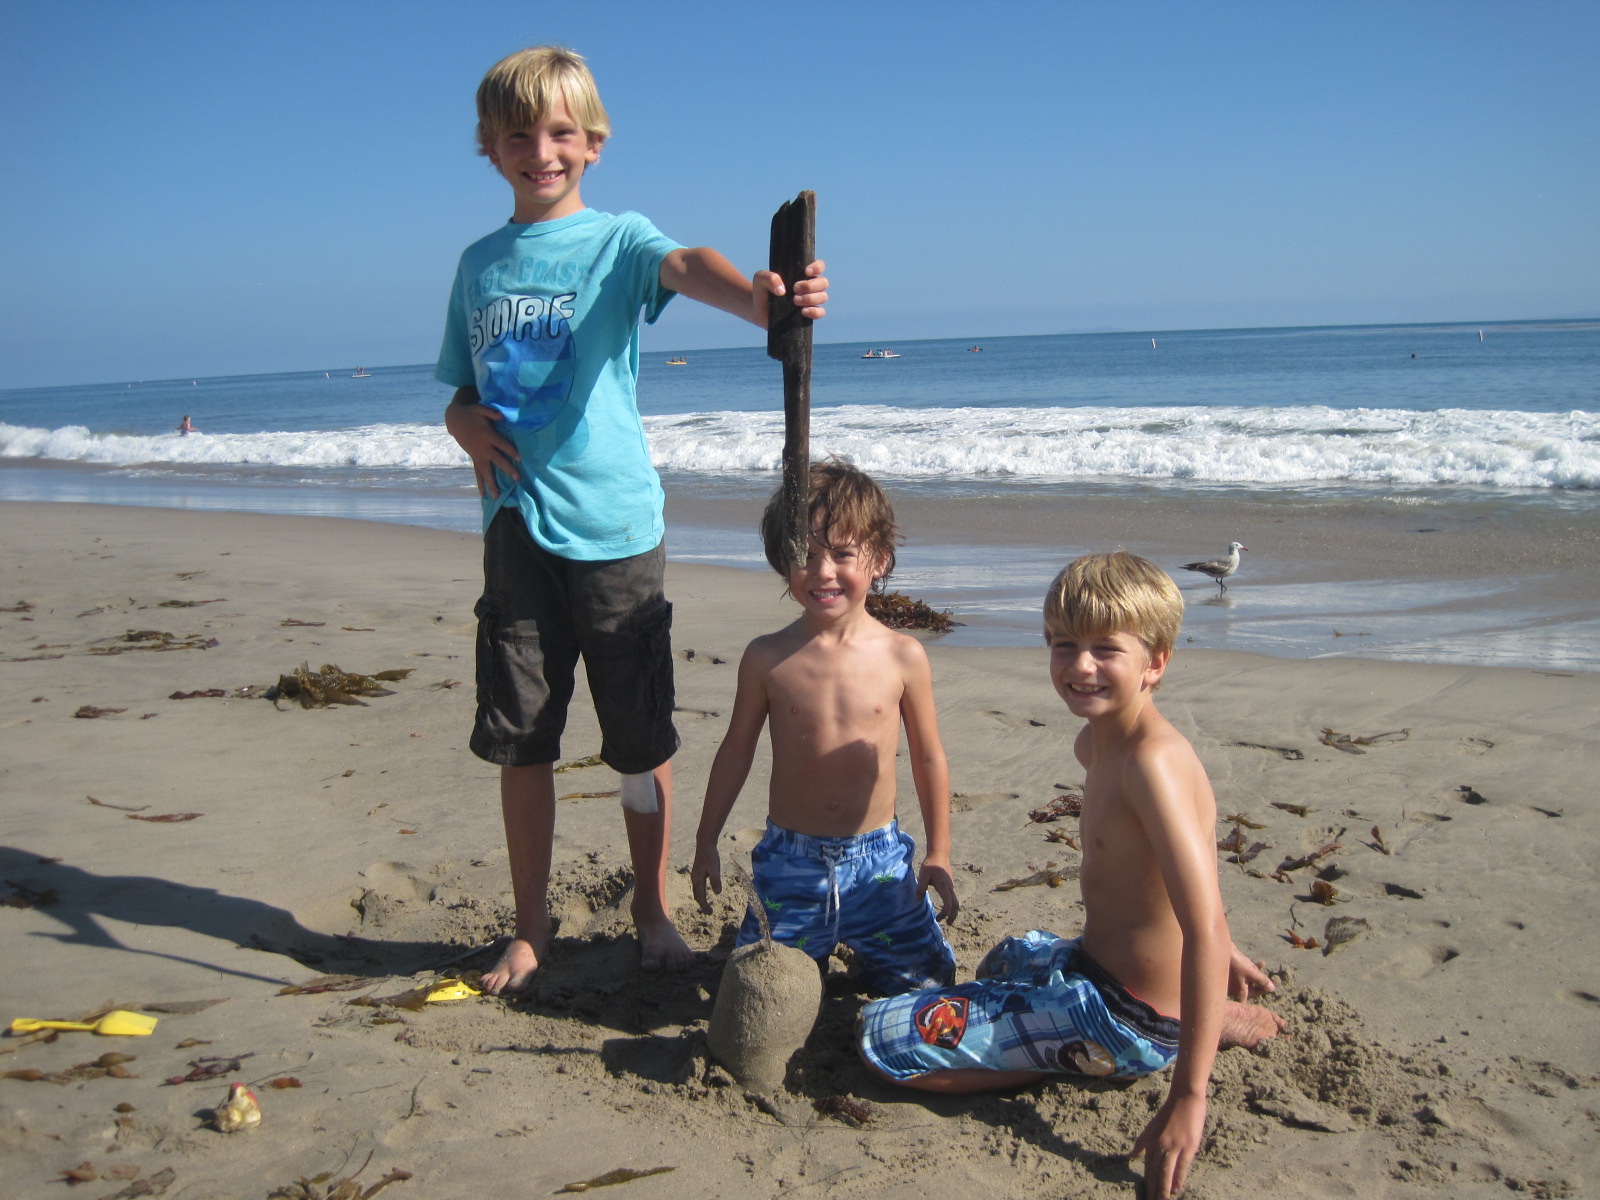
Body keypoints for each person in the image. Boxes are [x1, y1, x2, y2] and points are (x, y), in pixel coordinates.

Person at [436, 46, 828, 996]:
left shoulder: (616, 242)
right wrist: (459, 422)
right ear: (489, 148)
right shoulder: (478, 264)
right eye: (520, 135)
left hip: (615, 530)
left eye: (562, 133)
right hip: (514, 530)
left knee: (637, 737)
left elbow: (686, 264)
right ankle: (531, 929)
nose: (543, 150)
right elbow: (459, 386)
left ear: (594, 143)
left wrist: (759, 303)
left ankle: (650, 911)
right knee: (523, 733)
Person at [857, 552, 1283, 1200]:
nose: (1080, 665)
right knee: (1002, 960)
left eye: (1105, 649)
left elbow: (1203, 924)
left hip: (1125, 1014)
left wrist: (1188, 1099)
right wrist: (1230, 953)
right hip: (1096, 967)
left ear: (1156, 662)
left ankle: (1116, 1052)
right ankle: (1181, 1020)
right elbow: (1169, 884)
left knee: (882, 1040)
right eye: (1064, 645)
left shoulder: (1155, 767)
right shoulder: (1097, 740)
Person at [691, 461, 957, 996]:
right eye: (805, 557)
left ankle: (868, 954)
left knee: (929, 986)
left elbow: (929, 758)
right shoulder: (767, 657)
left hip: (878, 860)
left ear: (878, 560)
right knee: (756, 991)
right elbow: (736, 752)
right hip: (791, 860)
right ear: (781, 564)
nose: (823, 572)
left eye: (841, 554)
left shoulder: (903, 656)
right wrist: (706, 840)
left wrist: (938, 852)